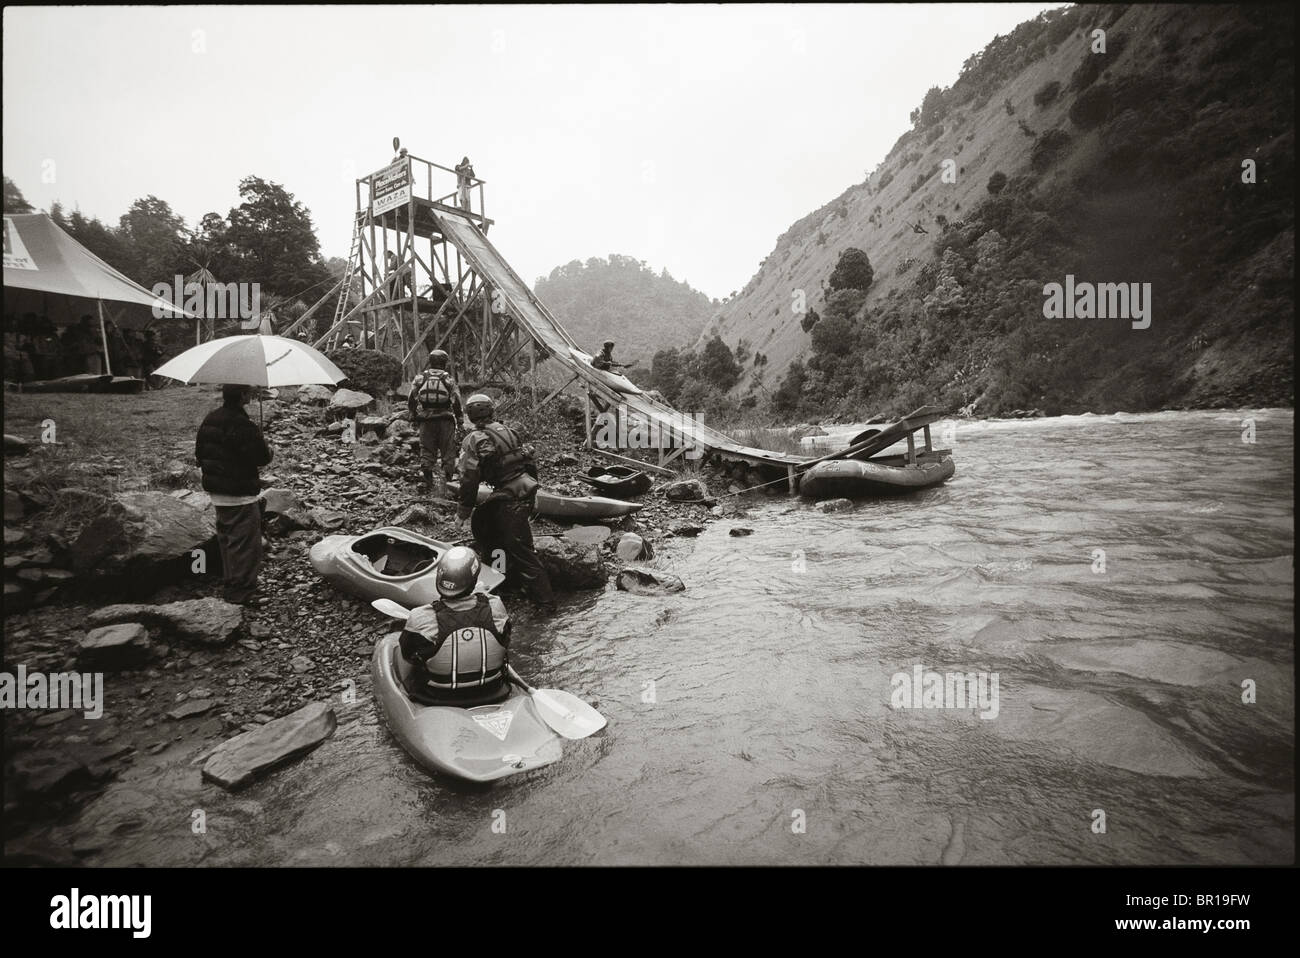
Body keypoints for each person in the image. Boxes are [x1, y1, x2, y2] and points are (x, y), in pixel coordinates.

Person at [455, 393, 556, 612]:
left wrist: (463, 512)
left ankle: (546, 605)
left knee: (522, 550)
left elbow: (469, 479)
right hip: (520, 491)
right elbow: (528, 463)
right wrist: (534, 493)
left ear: (470, 416)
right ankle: (505, 585)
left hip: (509, 498)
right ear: (492, 411)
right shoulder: (509, 431)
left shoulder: (474, 439)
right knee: (488, 533)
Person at [398, 546, 512, 706]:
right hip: (492, 689)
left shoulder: (419, 616)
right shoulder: (496, 605)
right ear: (473, 582)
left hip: (438, 695)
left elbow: (408, 655)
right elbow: (506, 641)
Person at [195, 384, 274, 605]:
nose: (250, 395)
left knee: (228, 542)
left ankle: (231, 583)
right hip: (239, 494)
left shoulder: (211, 418)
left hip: (217, 493)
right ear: (242, 396)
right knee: (246, 546)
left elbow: (199, 453)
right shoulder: (242, 423)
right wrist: (268, 449)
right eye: (248, 392)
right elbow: (260, 457)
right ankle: (241, 592)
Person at [408, 349, 464, 498]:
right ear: (444, 363)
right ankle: (448, 485)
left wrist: (413, 415)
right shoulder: (448, 379)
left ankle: (428, 483)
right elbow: (456, 400)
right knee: (448, 452)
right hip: (445, 420)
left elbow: (411, 398)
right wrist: (460, 418)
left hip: (426, 419)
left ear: (430, 361)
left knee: (426, 450)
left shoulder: (421, 378)